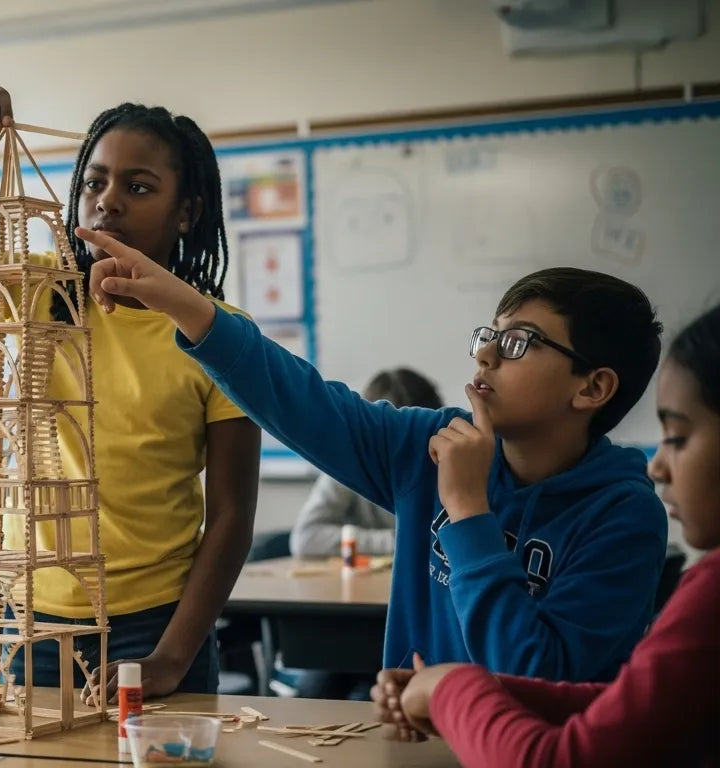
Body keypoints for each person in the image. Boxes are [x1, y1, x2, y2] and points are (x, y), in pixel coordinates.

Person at [78, 227, 668, 684]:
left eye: (518, 344)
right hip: (411, 744)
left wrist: (466, 510)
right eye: (489, 335)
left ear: (591, 388)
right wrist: (187, 306)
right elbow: (308, 404)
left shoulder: (623, 516)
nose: (485, 355)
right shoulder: (430, 443)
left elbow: (535, 675)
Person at [0, 83, 262, 699]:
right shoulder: (35, 293)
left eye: (138, 187)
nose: (107, 202)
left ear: (185, 213)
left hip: (155, 625)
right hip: (31, 617)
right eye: (94, 182)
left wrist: (170, 656)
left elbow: (232, 518)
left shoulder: (217, 333)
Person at [379, 304, 720, 767]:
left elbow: (557, 759)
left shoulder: (642, 528)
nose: (659, 465)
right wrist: (472, 686)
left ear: (593, 386)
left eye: (677, 438)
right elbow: (618, 709)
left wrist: (449, 689)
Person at [290, 368, 443, 558]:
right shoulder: (348, 462)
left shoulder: (448, 466)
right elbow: (306, 538)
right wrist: (397, 541)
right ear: (368, 430)